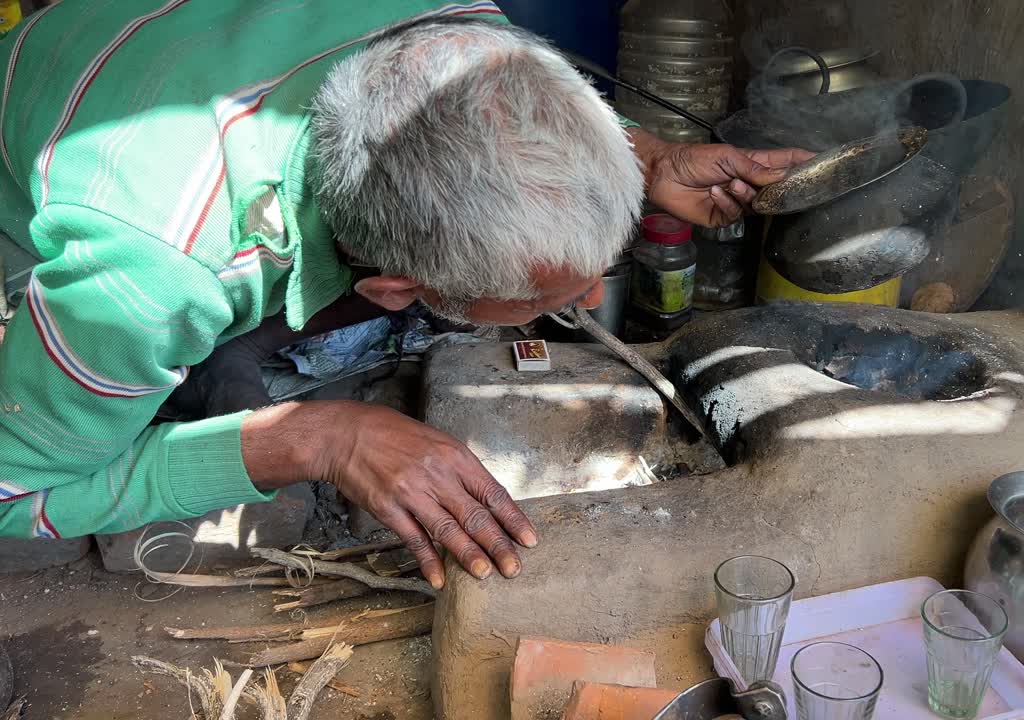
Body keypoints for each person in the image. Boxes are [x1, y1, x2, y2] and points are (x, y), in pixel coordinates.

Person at [0, 1, 809, 589]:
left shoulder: (468, 36)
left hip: (149, 46)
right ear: (393, 289)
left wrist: (646, 162)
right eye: (534, 299)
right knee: (93, 424)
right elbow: (14, 494)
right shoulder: (151, 273)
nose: (592, 294)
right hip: (45, 134)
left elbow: (506, 129)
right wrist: (319, 439)